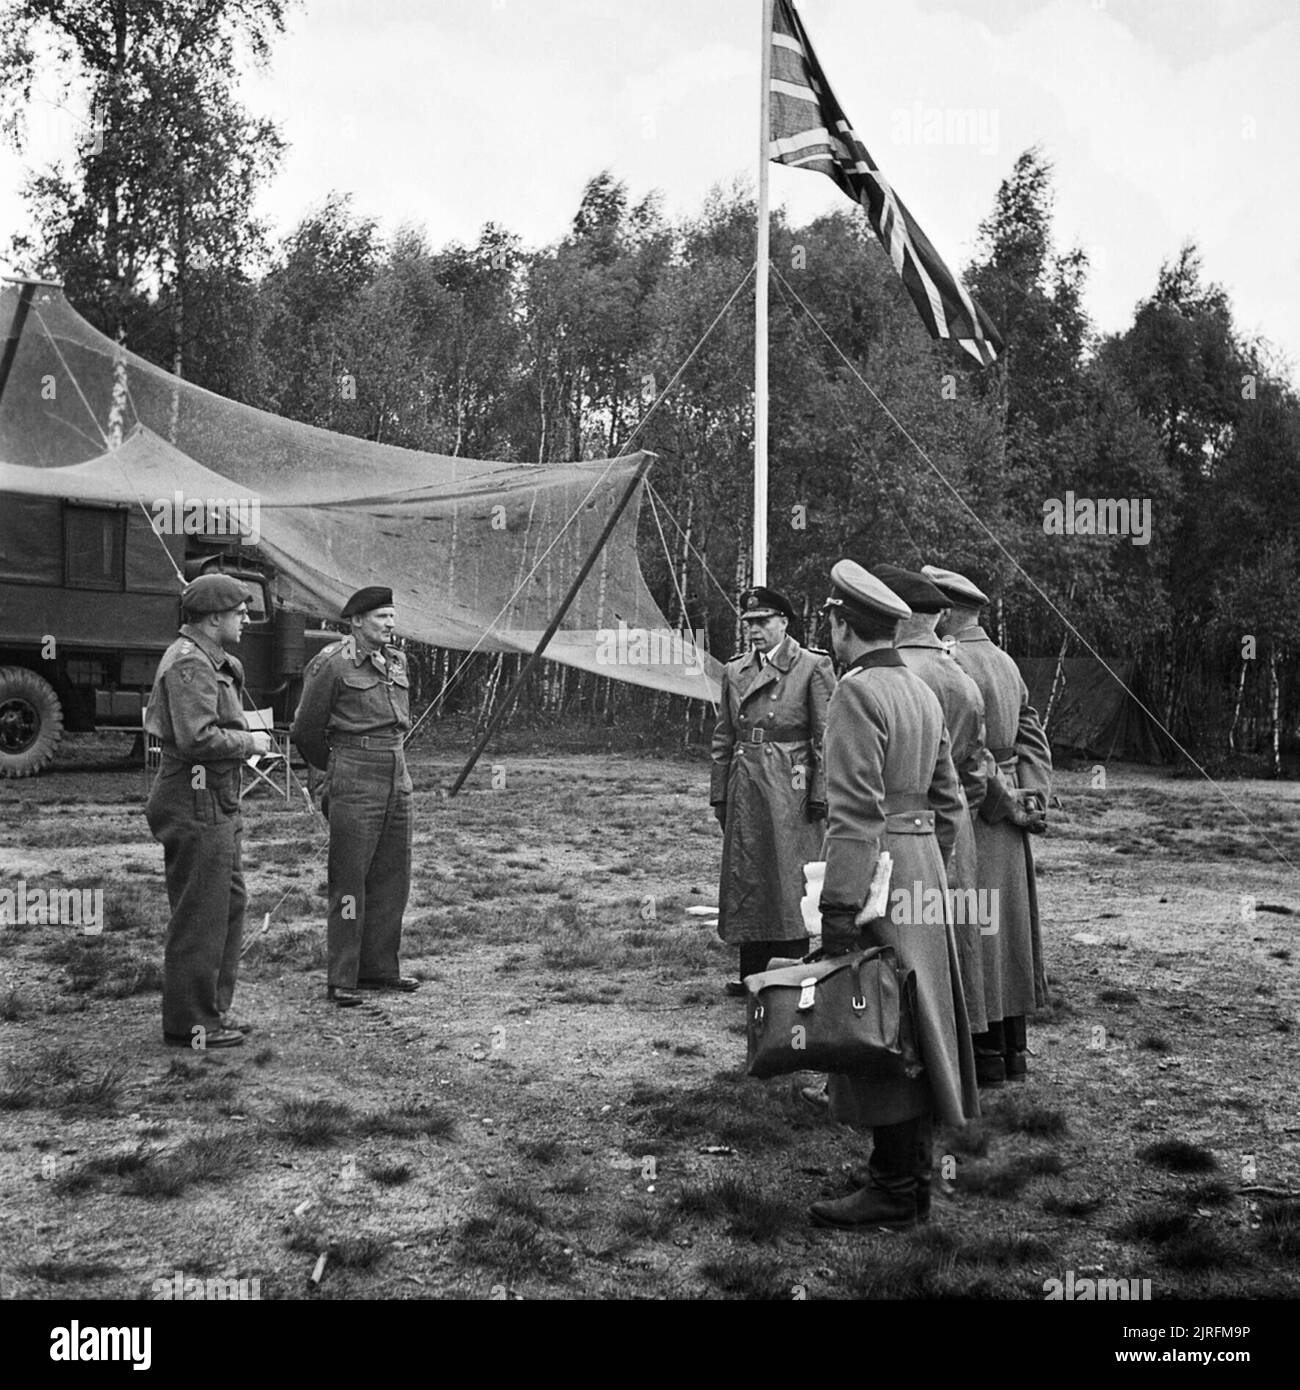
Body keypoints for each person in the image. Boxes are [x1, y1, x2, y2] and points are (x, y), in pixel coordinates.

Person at [810, 561, 979, 1231]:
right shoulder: (918, 689)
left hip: (876, 872)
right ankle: (905, 1178)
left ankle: (894, 1187)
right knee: (916, 1022)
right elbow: (951, 804)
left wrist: (839, 908)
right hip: (921, 870)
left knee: (876, 1020)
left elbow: (853, 815)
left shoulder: (856, 694)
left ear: (841, 625)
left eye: (829, 620)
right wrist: (936, 869)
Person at [923, 564, 1052, 1083]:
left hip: (972, 810)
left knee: (972, 934)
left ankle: (982, 1060)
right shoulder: (1004, 661)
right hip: (1007, 814)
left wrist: (1000, 800)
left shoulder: (950, 665)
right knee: (1007, 937)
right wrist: (1033, 796)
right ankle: (1011, 1053)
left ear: (948, 613)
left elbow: (964, 756)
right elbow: (1031, 732)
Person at [144, 573, 273, 1049]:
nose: (245, 617)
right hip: (195, 797)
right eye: (238, 611)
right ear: (214, 617)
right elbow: (197, 738)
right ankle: (191, 1022)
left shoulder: (209, 659)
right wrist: (250, 741)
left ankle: (210, 1011)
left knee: (228, 904)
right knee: (201, 911)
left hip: (213, 797)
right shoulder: (190, 664)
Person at [873, 562, 994, 1043]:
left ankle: (893, 1052)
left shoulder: (891, 676)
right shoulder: (960, 676)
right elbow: (976, 766)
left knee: (895, 947)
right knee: (953, 943)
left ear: (897, 617)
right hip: (953, 820)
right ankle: (964, 1055)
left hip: (899, 825)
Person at [291, 587, 417, 1007]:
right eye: (381, 616)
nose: (390, 623)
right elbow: (306, 730)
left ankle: (379, 968)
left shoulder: (396, 662)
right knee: (349, 880)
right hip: (352, 772)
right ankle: (342, 975)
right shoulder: (332, 663)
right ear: (357, 620)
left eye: (392, 616)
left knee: (392, 874)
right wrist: (333, 773)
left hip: (396, 773)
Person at [710, 585, 835, 996]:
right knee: (748, 872)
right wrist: (720, 793)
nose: (755, 630)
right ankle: (751, 974)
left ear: (784, 622)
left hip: (790, 783)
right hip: (746, 780)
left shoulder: (812, 666)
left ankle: (790, 973)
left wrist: (820, 793)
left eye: (763, 622)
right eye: (749, 623)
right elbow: (724, 734)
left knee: (788, 877)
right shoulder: (735, 670)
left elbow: (826, 737)